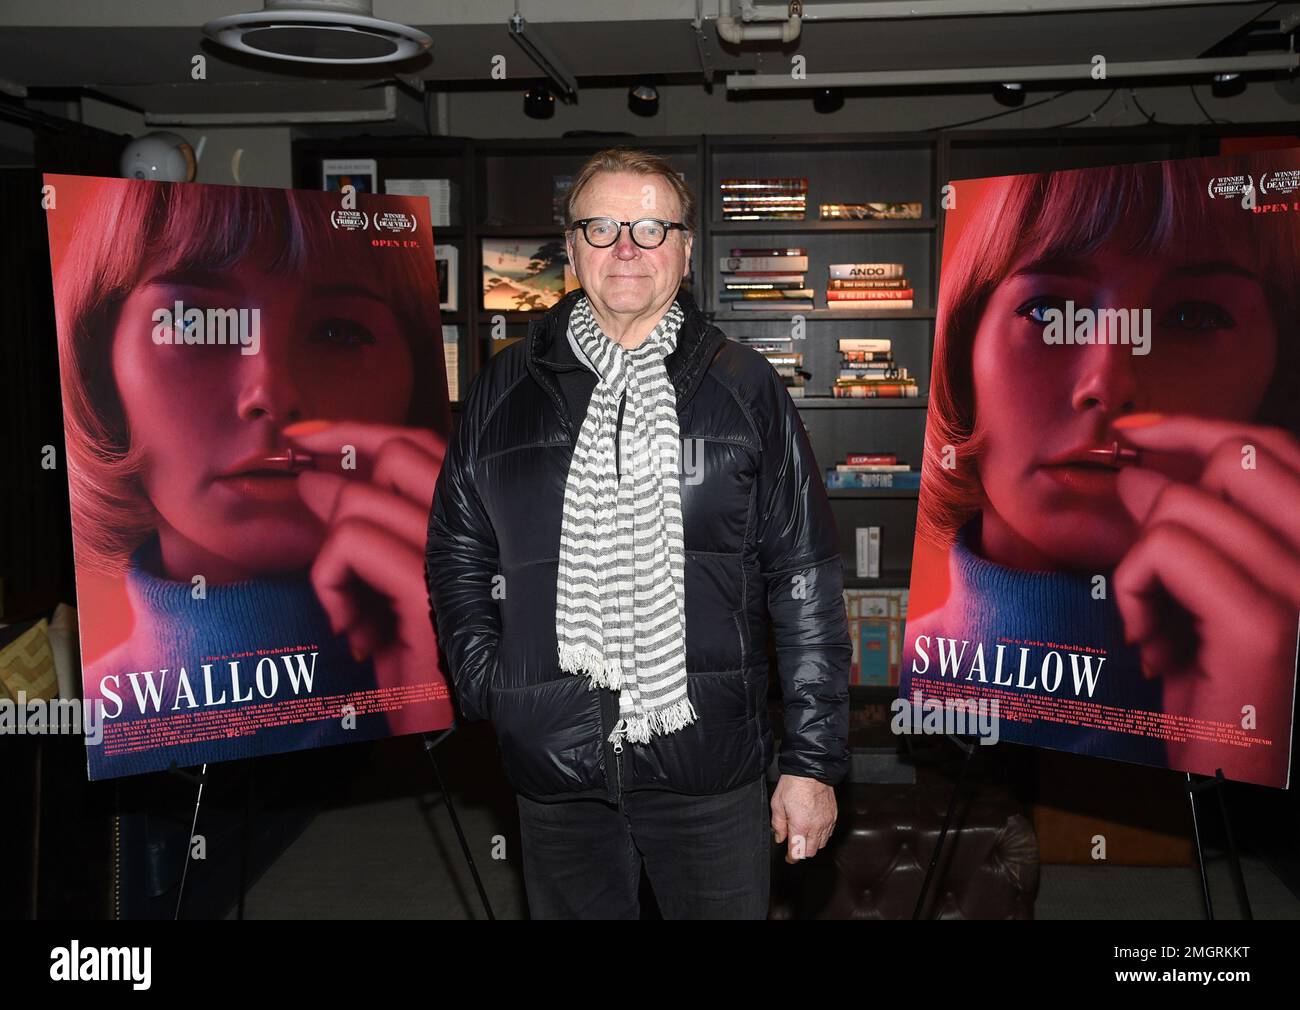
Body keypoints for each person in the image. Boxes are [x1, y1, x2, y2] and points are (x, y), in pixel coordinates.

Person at [425, 147, 851, 919]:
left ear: (686, 250)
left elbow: (804, 576)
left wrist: (813, 762)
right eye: (602, 225)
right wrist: (494, 685)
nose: (626, 246)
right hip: (554, 766)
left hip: (710, 763)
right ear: (571, 246)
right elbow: (457, 552)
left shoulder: (746, 388)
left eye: (652, 227)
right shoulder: (501, 390)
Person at [902, 156, 1300, 787]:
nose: (1110, 383)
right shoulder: (906, 676)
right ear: (960, 354)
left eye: (1190, 316)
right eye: (1050, 310)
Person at [54, 177, 452, 776]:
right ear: (99, 368)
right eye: (195, 324)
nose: (273, 393)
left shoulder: (475, 669)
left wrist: (445, 672)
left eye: (337, 331)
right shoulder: (90, 727)